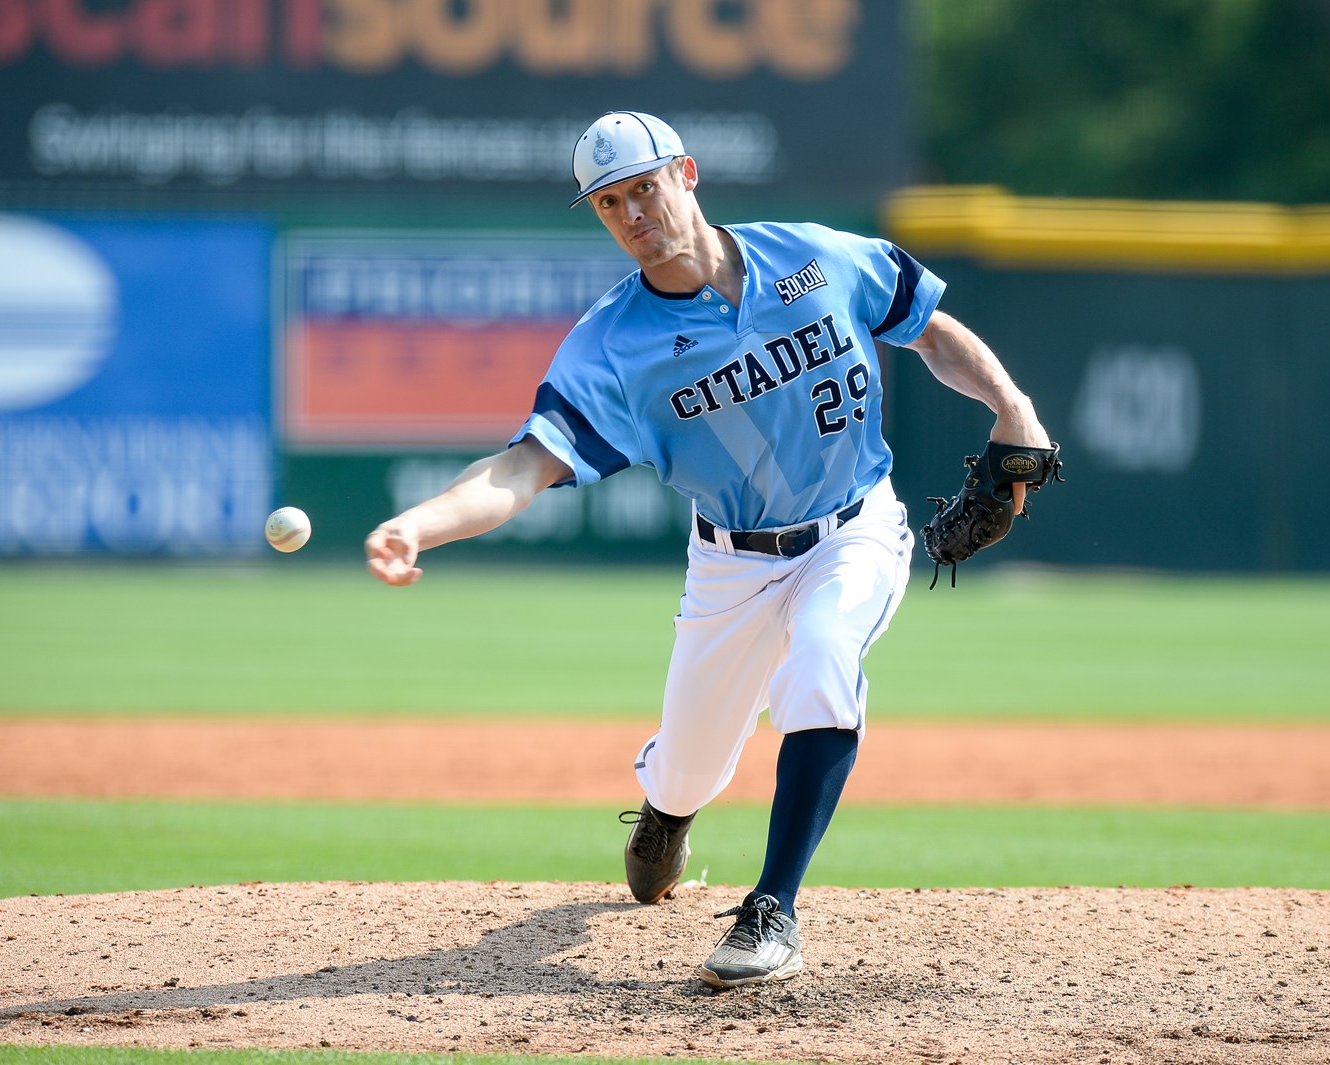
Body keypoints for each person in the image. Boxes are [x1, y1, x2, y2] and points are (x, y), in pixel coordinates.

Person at [365, 111, 1052, 988]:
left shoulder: (812, 257)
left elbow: (923, 321)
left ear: (685, 174)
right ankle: (667, 812)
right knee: (691, 765)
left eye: (642, 187)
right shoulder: (613, 345)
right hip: (731, 564)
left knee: (823, 657)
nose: (631, 214)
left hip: (856, 528)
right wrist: (418, 523)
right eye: (608, 203)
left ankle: (773, 907)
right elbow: (523, 466)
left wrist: (1012, 406)